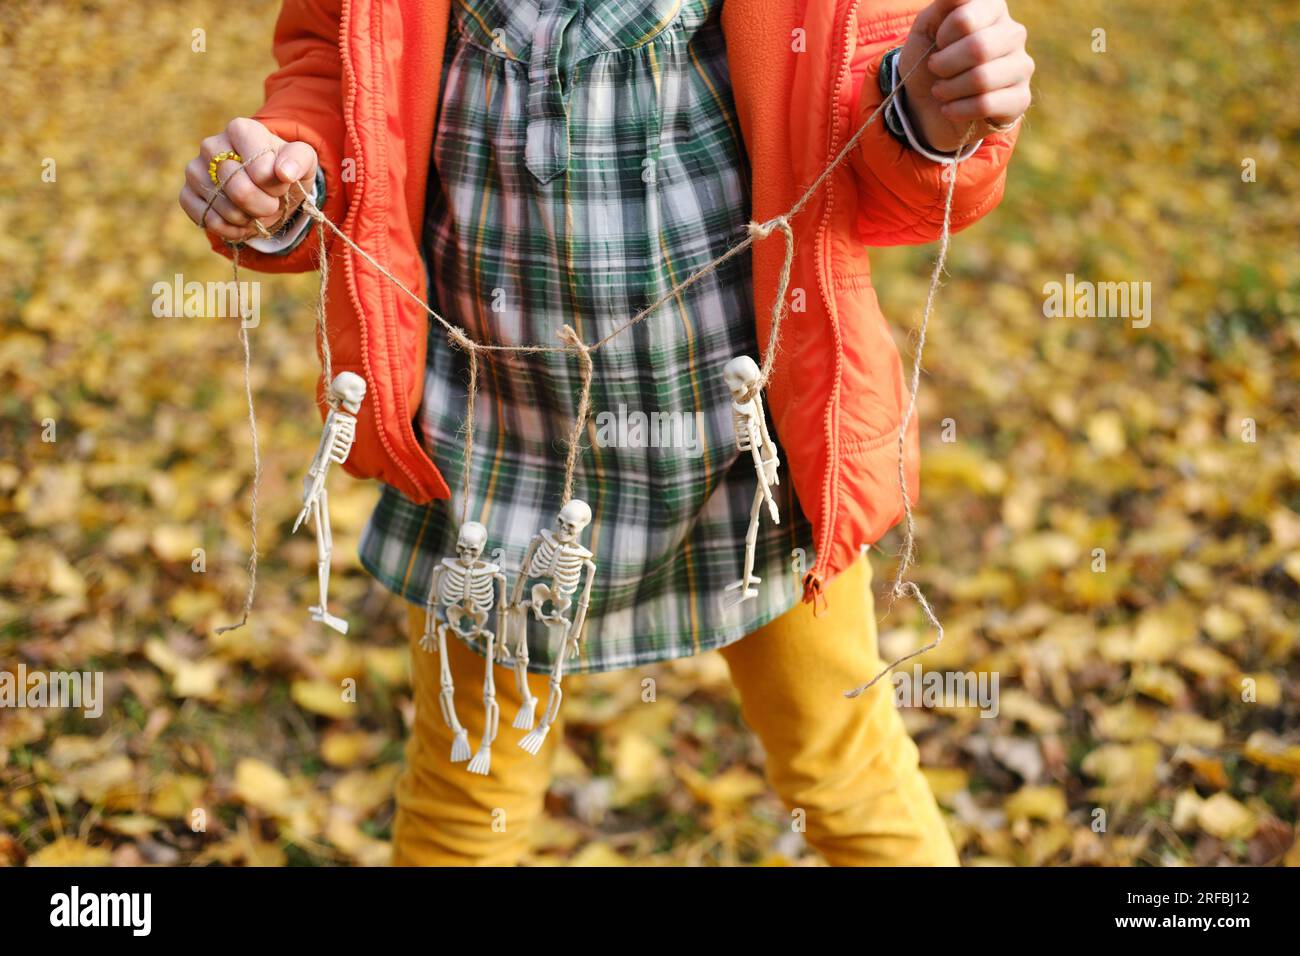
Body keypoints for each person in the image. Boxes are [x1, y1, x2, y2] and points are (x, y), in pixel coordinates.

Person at [179, 0, 1032, 866]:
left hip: (751, 446)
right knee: (469, 790)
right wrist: (287, 172)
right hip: (495, 438)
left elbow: (859, 119)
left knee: (842, 765)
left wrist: (929, 109)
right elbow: (338, 72)